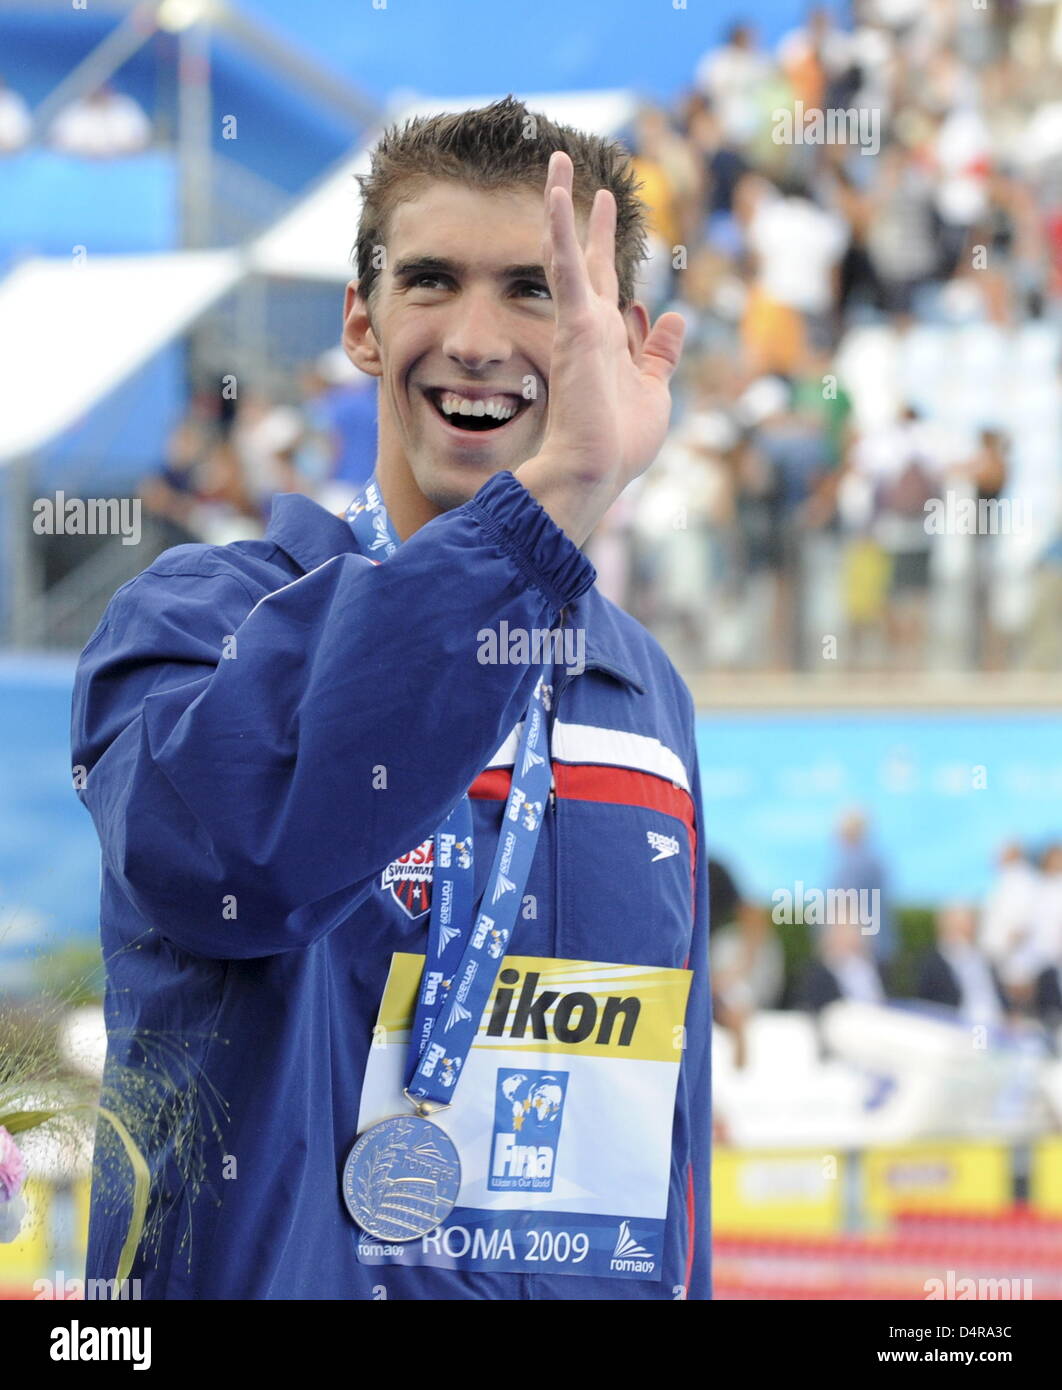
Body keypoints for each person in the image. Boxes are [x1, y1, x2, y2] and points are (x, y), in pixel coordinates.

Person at [71, 97, 711, 1301]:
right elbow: (243, 861)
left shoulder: (643, 690)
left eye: (534, 288)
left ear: (619, 338)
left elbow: (669, 1149)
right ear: (363, 323)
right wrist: (549, 510)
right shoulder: (192, 625)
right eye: (431, 282)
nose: (475, 336)